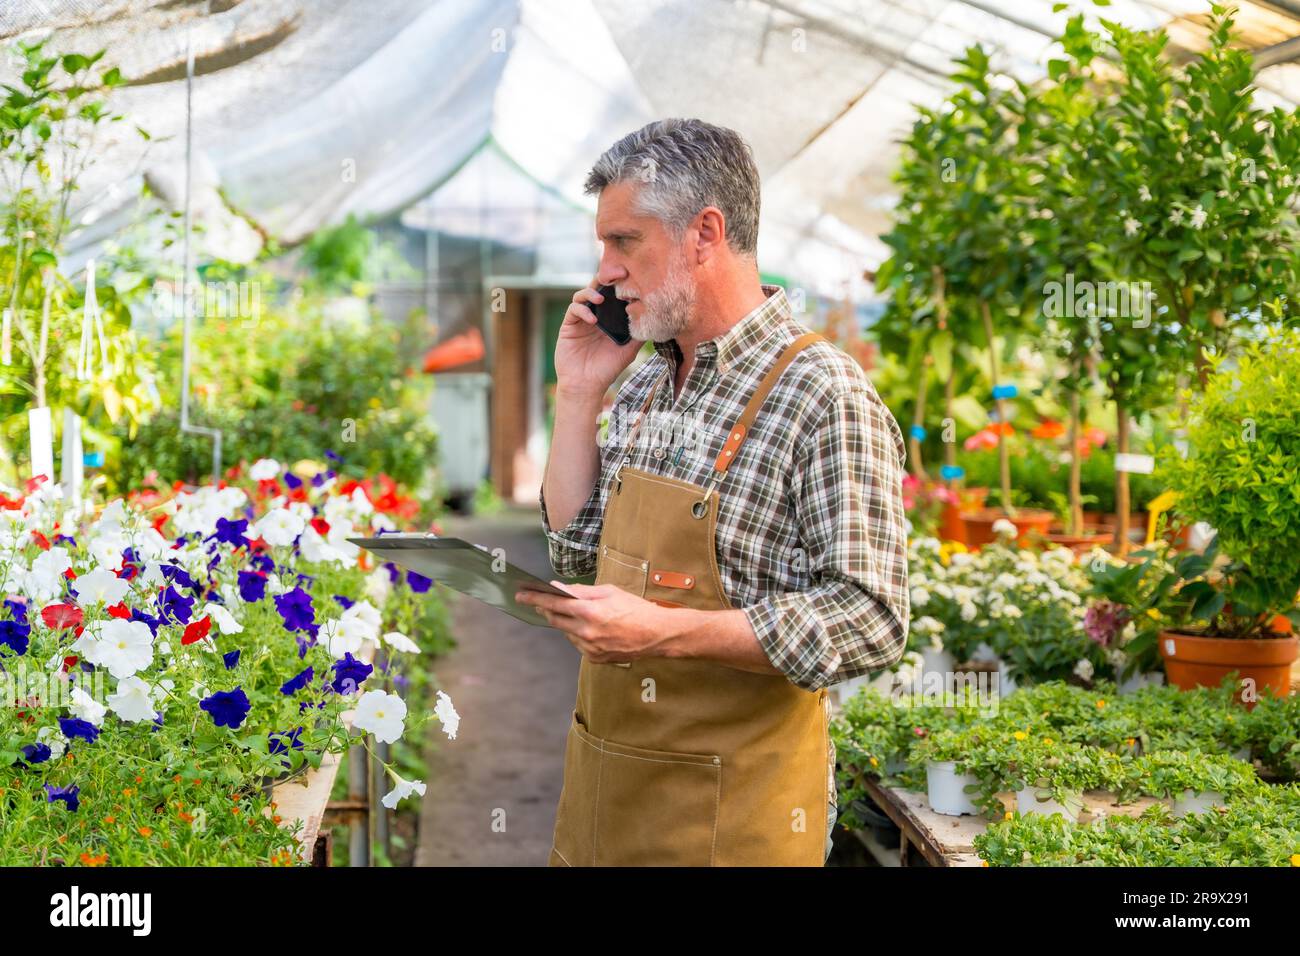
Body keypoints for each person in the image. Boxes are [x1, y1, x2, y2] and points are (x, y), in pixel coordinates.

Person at [515, 118, 908, 867]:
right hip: (609, 803)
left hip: (735, 828)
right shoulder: (646, 381)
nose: (603, 272)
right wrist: (577, 395)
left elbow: (872, 616)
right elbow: (574, 555)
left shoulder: (821, 394)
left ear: (705, 232)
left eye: (624, 241)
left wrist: (663, 631)